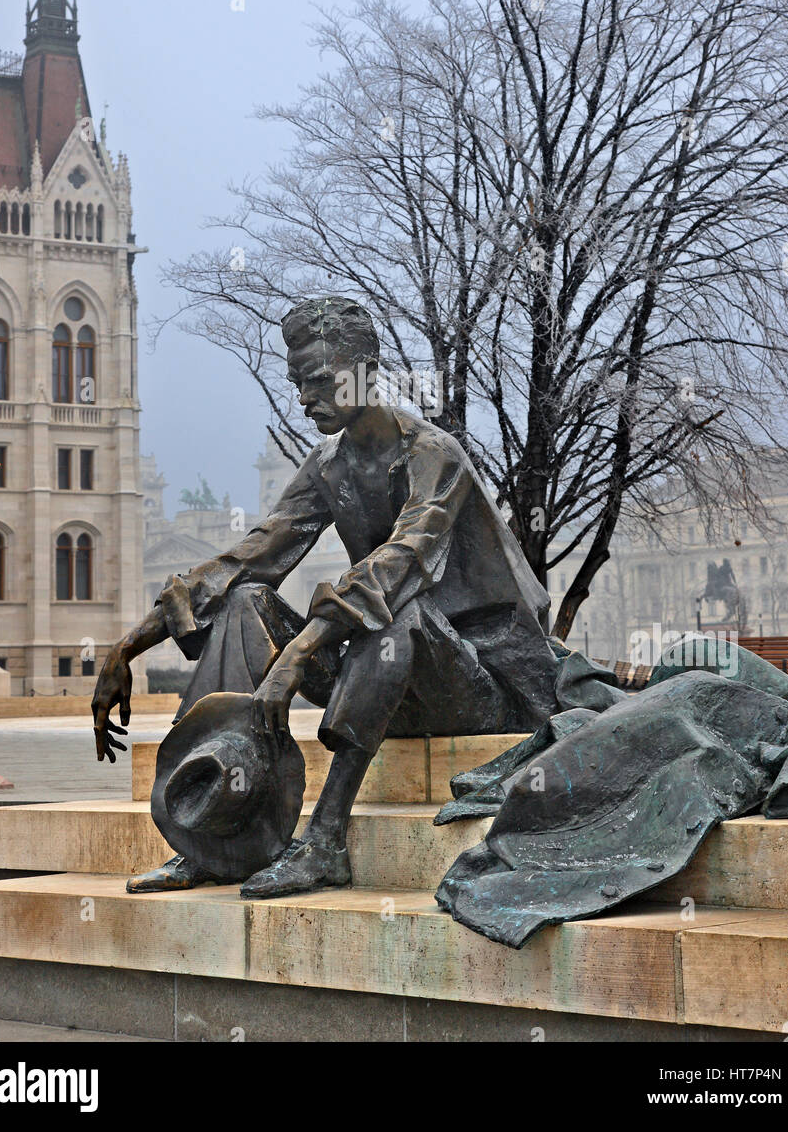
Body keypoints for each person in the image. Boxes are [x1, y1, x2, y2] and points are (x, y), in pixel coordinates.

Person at [92, 296, 558, 896]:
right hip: (388, 684)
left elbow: (399, 566)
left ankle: (325, 842)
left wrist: (297, 656)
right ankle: (209, 832)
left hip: (480, 685)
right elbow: (250, 557)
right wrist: (126, 648)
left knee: (397, 611)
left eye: (317, 380)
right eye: (297, 382)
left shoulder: (434, 456)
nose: (304, 397)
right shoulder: (329, 464)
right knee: (246, 601)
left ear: (364, 372)